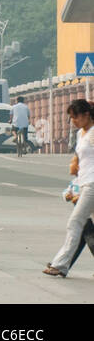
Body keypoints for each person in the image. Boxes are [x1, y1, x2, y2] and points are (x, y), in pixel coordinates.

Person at [45, 100, 94, 277]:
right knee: (82, 225)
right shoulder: (81, 133)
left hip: (92, 186)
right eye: (71, 117)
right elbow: (80, 162)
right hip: (85, 183)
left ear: (86, 115)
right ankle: (61, 264)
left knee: (75, 222)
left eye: (75, 117)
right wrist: (74, 186)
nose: (73, 120)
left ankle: (60, 264)